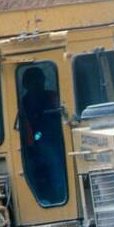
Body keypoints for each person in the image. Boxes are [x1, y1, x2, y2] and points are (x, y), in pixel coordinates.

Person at [17, 66, 66, 203]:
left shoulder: (52, 97)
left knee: (54, 159)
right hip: (33, 144)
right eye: (33, 82)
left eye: (40, 80)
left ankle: (59, 190)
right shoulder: (23, 103)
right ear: (26, 84)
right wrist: (36, 139)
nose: (38, 84)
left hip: (58, 139)